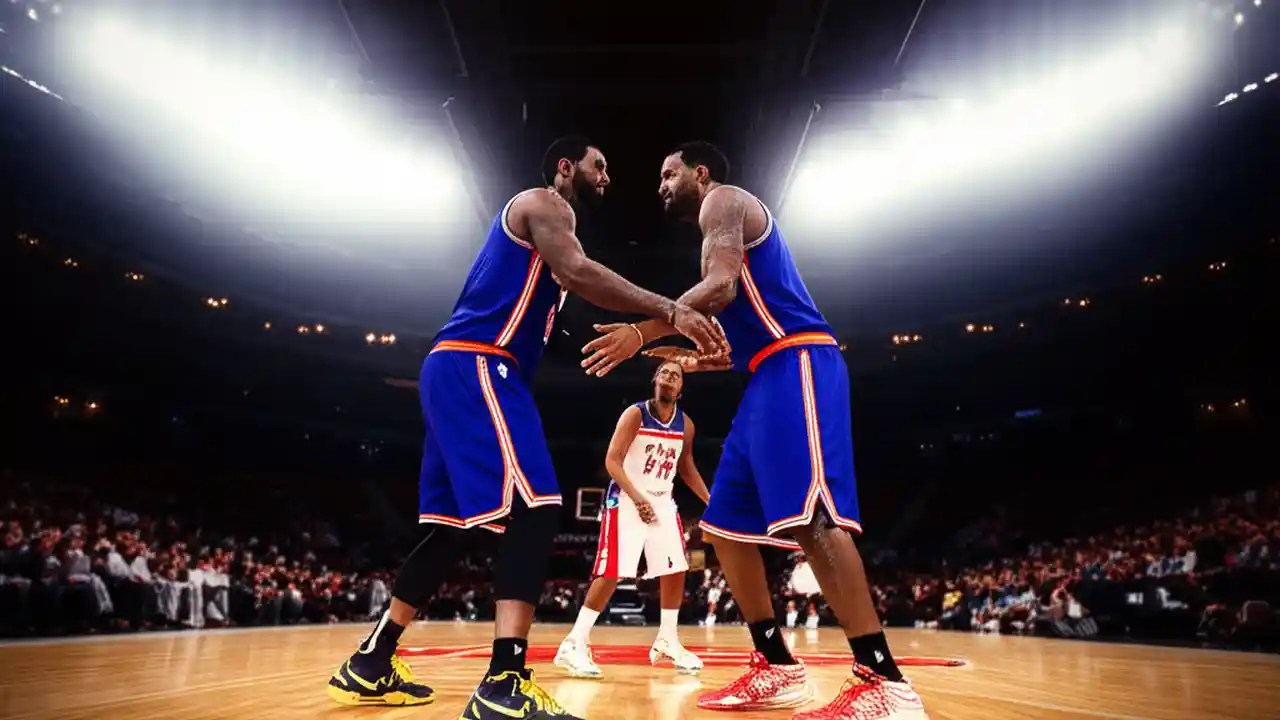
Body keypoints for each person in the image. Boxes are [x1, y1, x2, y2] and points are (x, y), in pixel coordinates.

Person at [325, 136, 724, 719]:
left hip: (458, 367)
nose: (608, 177)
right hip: (481, 363)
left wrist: (641, 335)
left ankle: (371, 659)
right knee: (536, 508)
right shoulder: (545, 204)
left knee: (450, 528)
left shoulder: (546, 243)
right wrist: (669, 310)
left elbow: (576, 289)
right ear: (566, 168)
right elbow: (580, 271)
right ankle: (503, 682)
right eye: (600, 164)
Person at [581, 141, 930, 719]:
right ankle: (777, 666)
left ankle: (883, 681)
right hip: (763, 377)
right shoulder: (710, 230)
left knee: (814, 522)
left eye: (669, 174)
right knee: (725, 530)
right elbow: (719, 347)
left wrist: (642, 332)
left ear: (701, 172)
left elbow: (719, 287)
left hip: (798, 362)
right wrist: (675, 353)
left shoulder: (725, 202)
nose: (661, 185)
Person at [554, 360, 711, 678]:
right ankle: (574, 642)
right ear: (655, 381)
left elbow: (687, 468)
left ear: (681, 388)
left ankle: (667, 639)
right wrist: (638, 499)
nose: (669, 377)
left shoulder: (686, 425)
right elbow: (612, 461)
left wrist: (713, 502)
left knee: (677, 568)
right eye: (664, 373)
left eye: (676, 375)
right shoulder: (636, 414)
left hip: (663, 501)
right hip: (626, 499)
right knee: (612, 571)